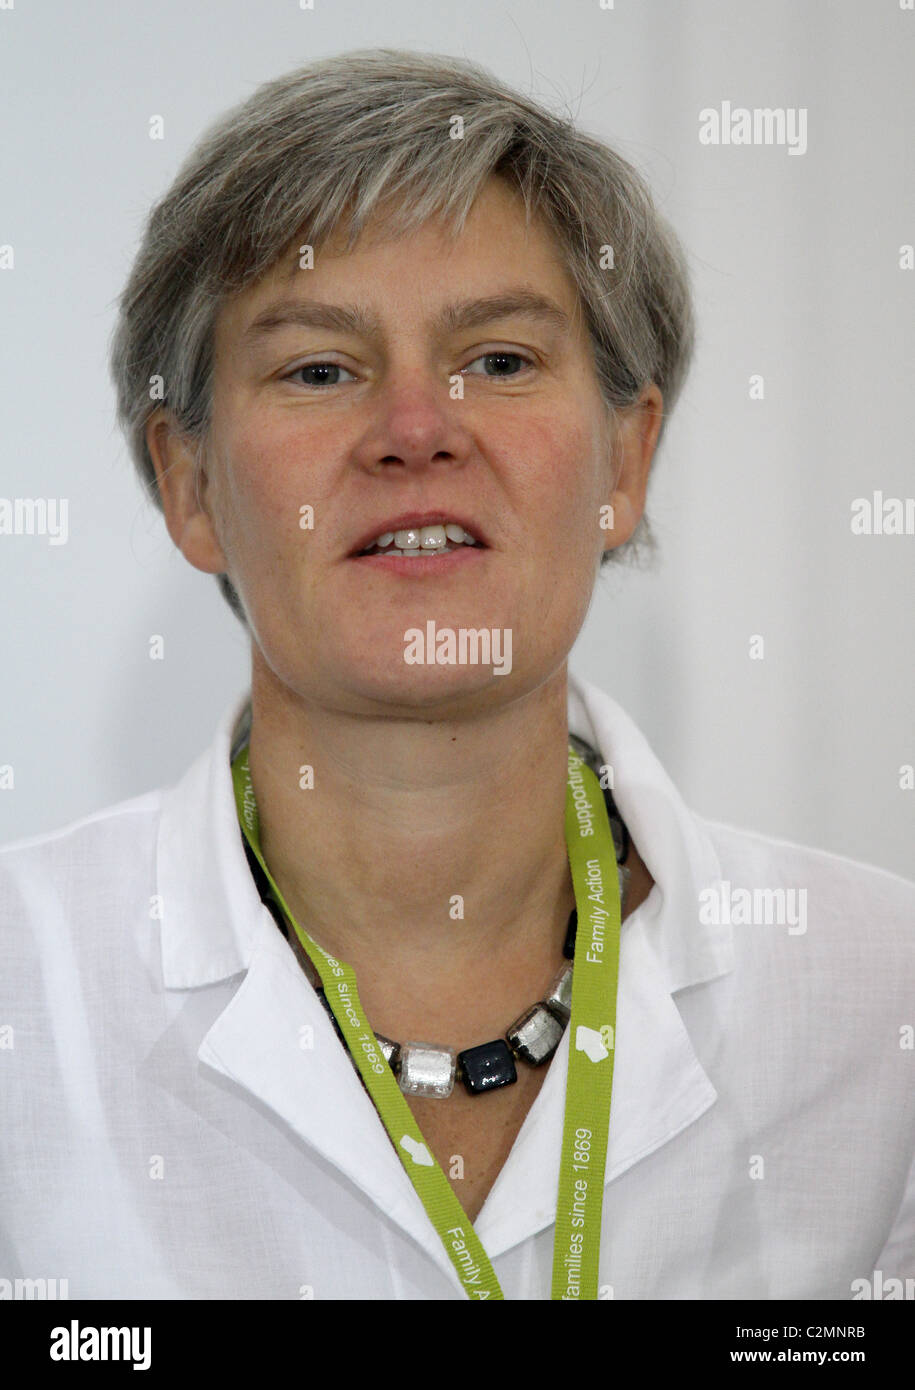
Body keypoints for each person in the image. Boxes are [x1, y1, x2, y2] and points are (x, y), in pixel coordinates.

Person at [1, 49, 912, 1302]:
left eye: (499, 359)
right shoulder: (22, 990)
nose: (418, 429)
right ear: (190, 483)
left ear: (626, 460)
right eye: (320, 368)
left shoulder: (881, 997)